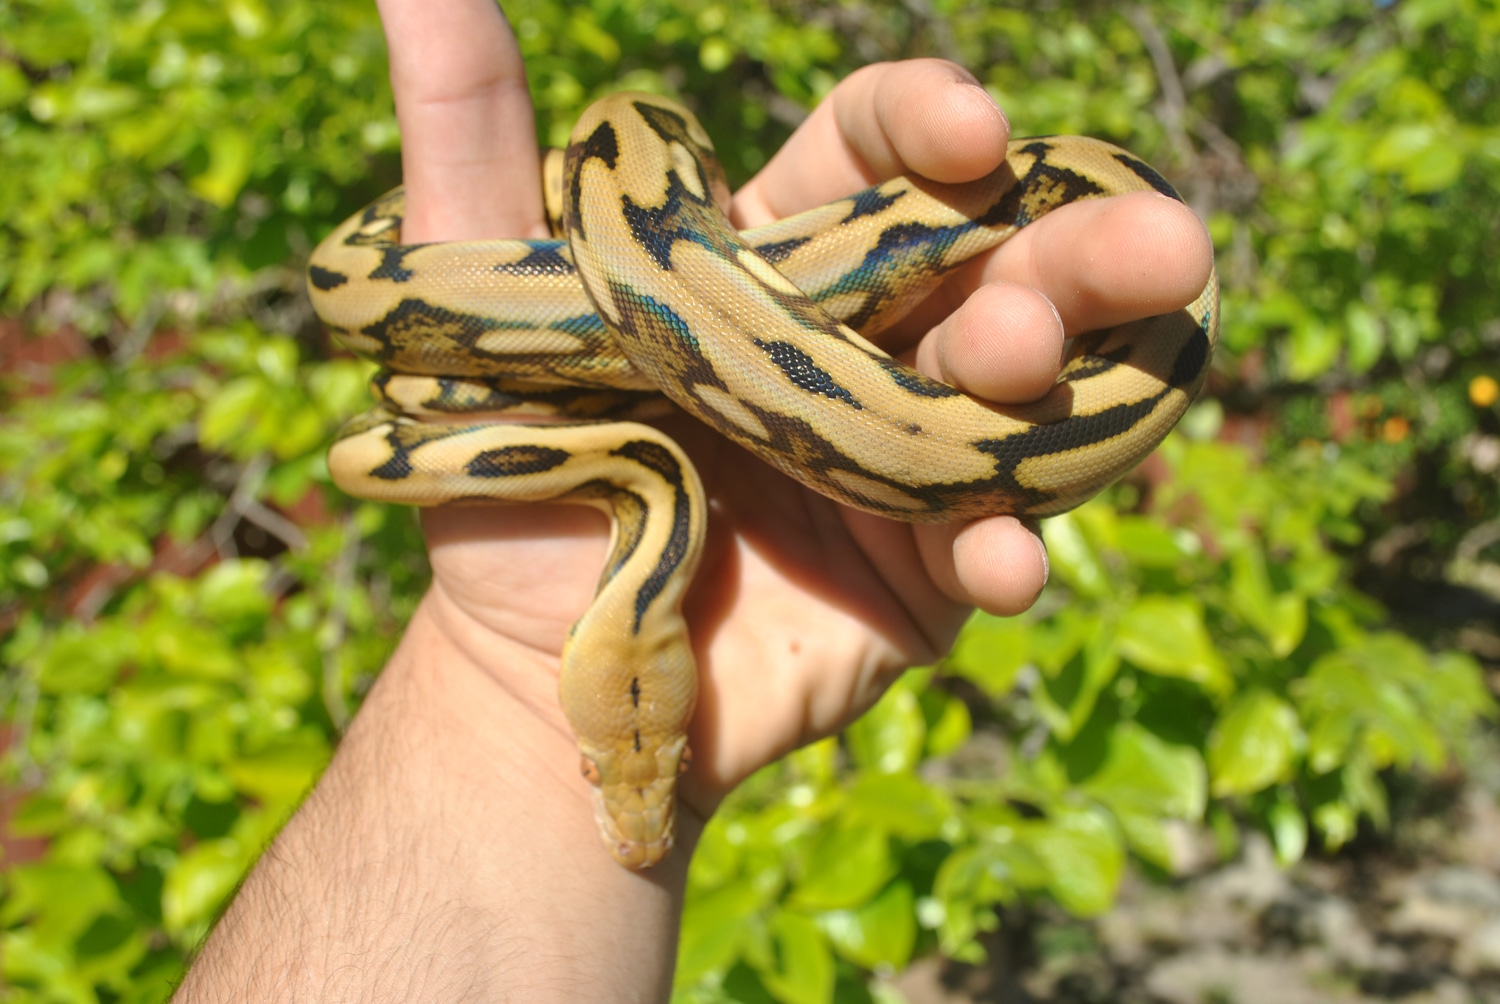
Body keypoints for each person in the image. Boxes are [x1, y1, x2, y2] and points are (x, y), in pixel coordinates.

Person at [173, 0, 1213, 998]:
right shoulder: (627, 482)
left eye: (604, 758)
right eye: (631, 756)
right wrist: (492, 689)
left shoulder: (633, 468)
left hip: (686, 248)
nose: (631, 800)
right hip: (682, 250)